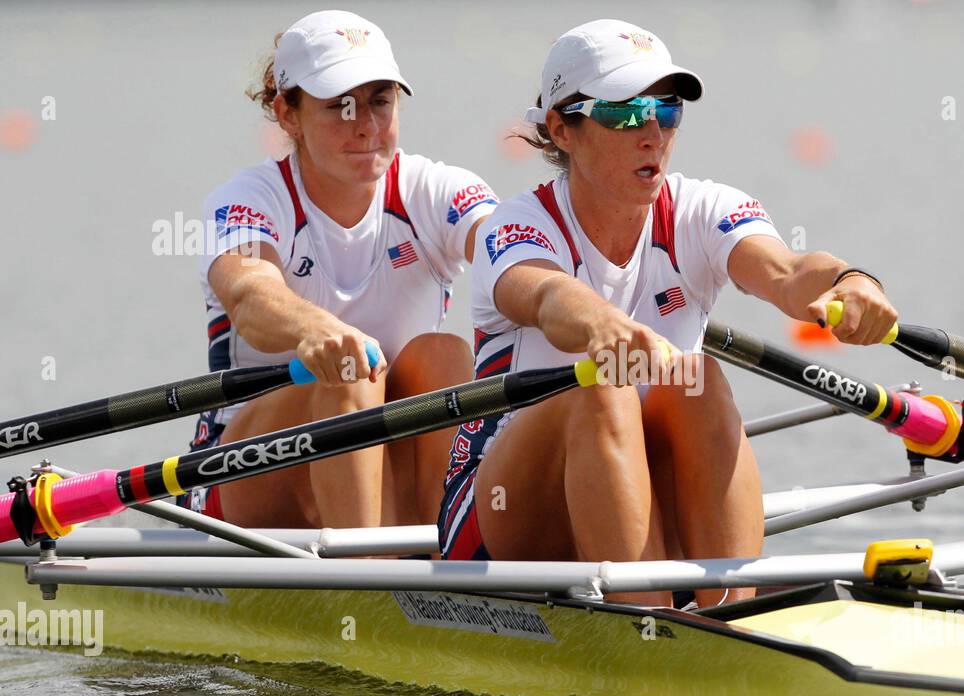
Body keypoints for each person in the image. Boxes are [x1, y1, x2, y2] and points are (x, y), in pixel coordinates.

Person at [439, 19, 896, 606]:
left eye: (668, 109)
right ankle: (652, 628)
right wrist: (603, 324)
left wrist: (850, 281)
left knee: (698, 379)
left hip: (635, 502)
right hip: (504, 525)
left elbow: (786, 272)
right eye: (626, 113)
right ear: (563, 128)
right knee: (603, 389)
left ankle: (730, 615)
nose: (652, 132)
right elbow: (548, 295)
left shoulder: (703, 210)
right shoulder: (517, 224)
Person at [185, 10, 498, 529]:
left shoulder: (437, 190)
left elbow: (513, 255)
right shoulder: (249, 200)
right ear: (288, 114)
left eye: (381, 101)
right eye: (341, 107)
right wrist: (318, 332)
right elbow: (249, 294)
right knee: (350, 371)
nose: (368, 127)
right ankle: (374, 579)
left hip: (383, 471)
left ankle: (439, 562)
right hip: (243, 478)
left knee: (442, 356)